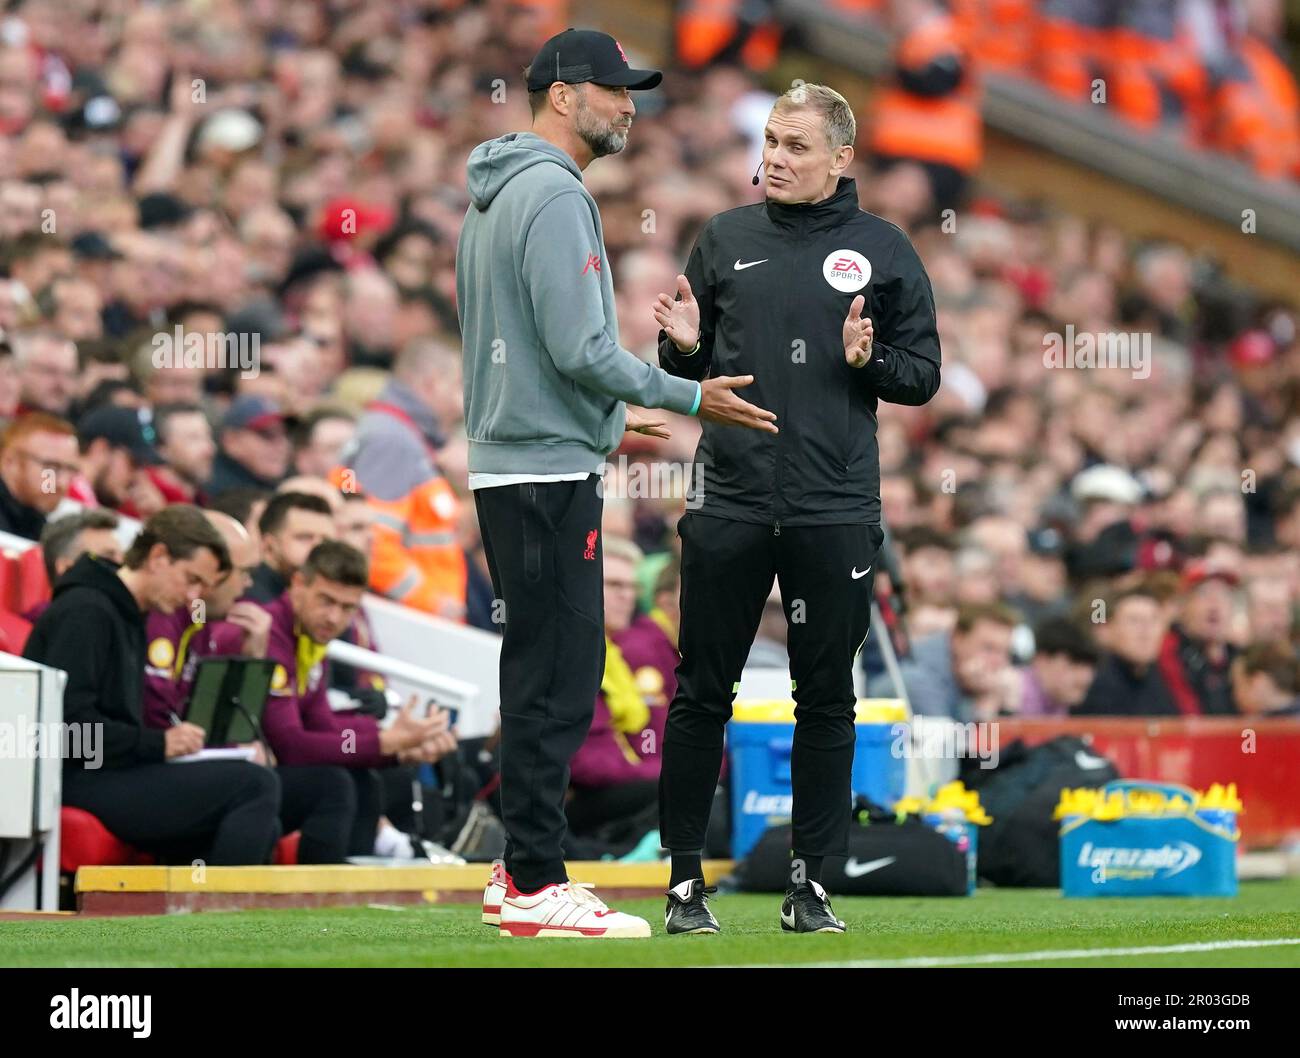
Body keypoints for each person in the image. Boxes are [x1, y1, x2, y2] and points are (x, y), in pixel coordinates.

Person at [458, 28, 776, 940]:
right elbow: (579, 347)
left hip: (519, 454)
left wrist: (601, 419)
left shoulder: (496, 190)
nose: (630, 104)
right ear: (563, 96)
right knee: (560, 674)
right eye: (615, 89)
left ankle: (518, 871)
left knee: (542, 668)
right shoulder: (554, 194)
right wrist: (687, 394)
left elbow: (516, 345)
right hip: (544, 469)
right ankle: (534, 878)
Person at [653, 83, 940, 933]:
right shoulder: (724, 236)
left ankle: (810, 884)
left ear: (841, 158)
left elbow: (921, 375)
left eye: (795, 146)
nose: (775, 157)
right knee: (703, 691)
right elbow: (686, 367)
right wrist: (678, 346)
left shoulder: (882, 248)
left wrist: (872, 358)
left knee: (827, 699)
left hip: (833, 504)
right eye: (771, 141)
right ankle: (681, 883)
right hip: (731, 500)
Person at [23, 505, 280, 865]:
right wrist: (158, 744)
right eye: (191, 579)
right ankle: (223, 920)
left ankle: (197, 916)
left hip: (107, 771)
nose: (194, 598)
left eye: (203, 587)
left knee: (263, 810)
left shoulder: (127, 613)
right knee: (254, 786)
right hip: (74, 778)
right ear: (158, 556)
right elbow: (70, 732)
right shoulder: (87, 611)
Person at [258, 540, 456, 860]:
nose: (334, 617)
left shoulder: (307, 638)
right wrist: (384, 742)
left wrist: (400, 750)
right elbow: (291, 745)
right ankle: (319, 894)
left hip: (267, 774)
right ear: (298, 584)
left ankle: (352, 894)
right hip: (241, 774)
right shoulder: (271, 633)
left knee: (360, 777)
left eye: (347, 608)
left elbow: (324, 725)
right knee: (332, 784)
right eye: (326, 600)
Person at [243, 490, 336, 602]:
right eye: (305, 537)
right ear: (269, 545)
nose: (318, 547)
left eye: (326, 540)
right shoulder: (249, 597)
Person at [0, 412, 80, 541]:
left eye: (71, 470)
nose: (62, 483)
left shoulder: (40, 526)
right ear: (10, 462)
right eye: (51, 467)